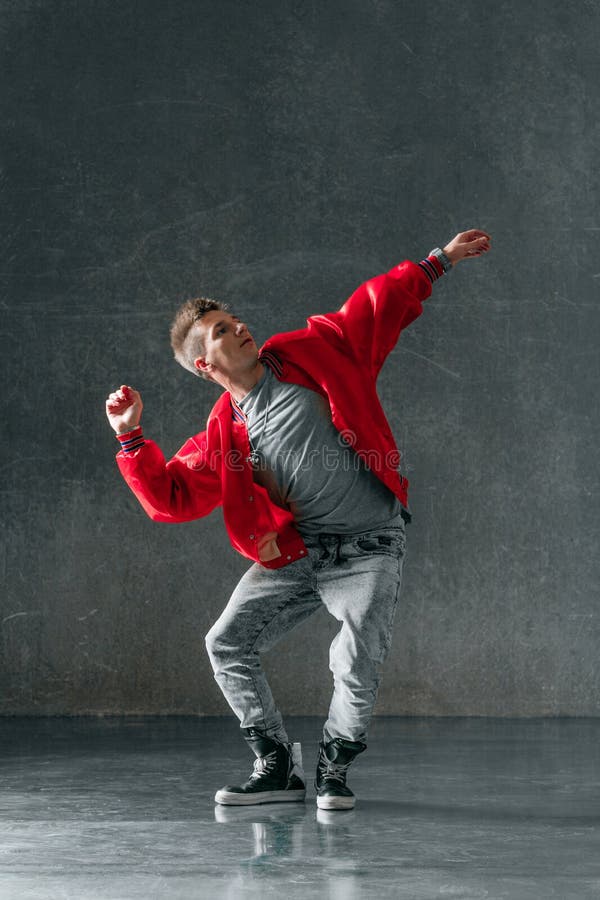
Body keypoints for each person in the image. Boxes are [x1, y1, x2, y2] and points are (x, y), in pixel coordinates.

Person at [105, 229, 491, 811]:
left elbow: (374, 305)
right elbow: (175, 495)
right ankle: (276, 766)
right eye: (221, 331)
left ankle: (335, 765)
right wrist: (131, 437)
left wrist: (438, 262)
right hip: (302, 550)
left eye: (234, 319)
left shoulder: (313, 350)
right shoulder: (223, 433)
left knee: (355, 662)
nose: (238, 326)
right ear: (205, 365)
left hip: (370, 545)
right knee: (225, 643)